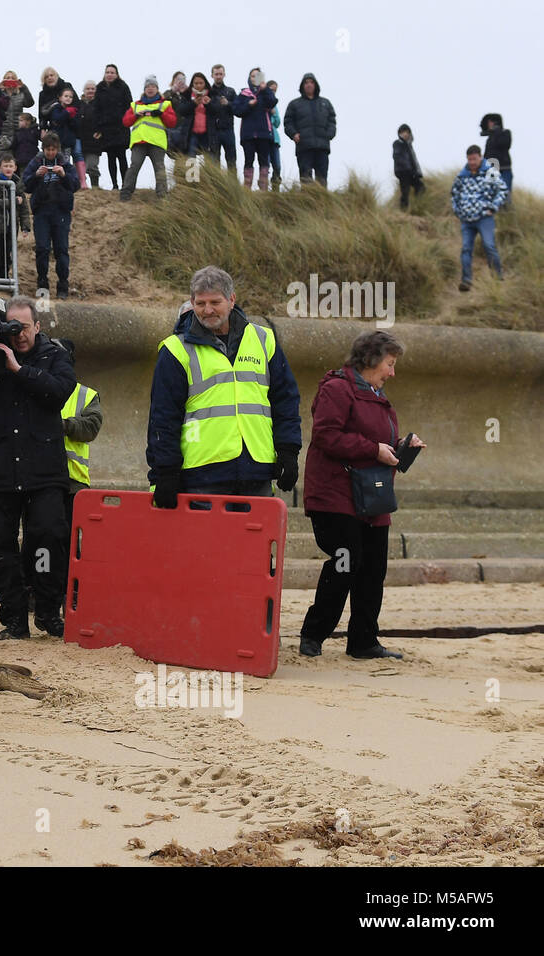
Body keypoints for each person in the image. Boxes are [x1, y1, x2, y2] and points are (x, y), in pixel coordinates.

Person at [299, 331, 426, 660]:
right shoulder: (337, 389)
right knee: (346, 563)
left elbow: (379, 445)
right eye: (390, 364)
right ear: (371, 360)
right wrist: (374, 450)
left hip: (373, 498)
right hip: (335, 496)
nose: (392, 372)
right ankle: (314, 634)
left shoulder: (377, 395)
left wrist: (402, 448)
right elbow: (326, 436)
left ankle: (364, 641)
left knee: (373, 569)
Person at [0, 296, 75, 639]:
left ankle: (48, 611)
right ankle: (14, 619)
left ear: (37, 326)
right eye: (12, 328)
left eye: (23, 328)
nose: (18, 335)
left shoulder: (55, 356)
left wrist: (18, 369)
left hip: (44, 469)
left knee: (47, 539)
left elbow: (59, 392)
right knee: (1, 547)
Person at [147, 266, 302, 506]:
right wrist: (165, 473)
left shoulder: (264, 340)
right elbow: (163, 418)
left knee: (252, 545)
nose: (207, 310)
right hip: (202, 474)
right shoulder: (175, 350)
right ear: (191, 302)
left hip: (256, 471)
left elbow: (286, 401)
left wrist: (288, 451)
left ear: (231, 300)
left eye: (215, 302)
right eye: (200, 303)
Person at [23, 337, 102, 610]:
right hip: (36, 479)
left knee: (67, 541)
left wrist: (61, 425)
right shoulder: (32, 387)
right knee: (36, 539)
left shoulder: (85, 395)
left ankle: (72, 590)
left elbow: (91, 427)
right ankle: (34, 589)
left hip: (72, 483)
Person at [23, 133, 77, 298]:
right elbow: (26, 185)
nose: (51, 153)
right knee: (42, 249)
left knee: (61, 249)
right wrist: (37, 175)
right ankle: (42, 285)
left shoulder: (65, 164)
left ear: (58, 149)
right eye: (48, 149)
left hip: (61, 212)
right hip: (42, 212)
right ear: (43, 149)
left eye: (53, 149)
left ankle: (62, 287)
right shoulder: (36, 162)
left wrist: (63, 175)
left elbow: (75, 185)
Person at [451, 144, 508, 291]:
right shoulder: (462, 175)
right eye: (469, 159)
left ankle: (497, 278)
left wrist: (493, 207)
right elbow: (454, 194)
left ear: (480, 157)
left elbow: (502, 190)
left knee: (489, 246)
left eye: (474, 159)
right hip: (466, 220)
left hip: (484, 218)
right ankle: (466, 281)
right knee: (465, 249)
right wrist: (458, 211)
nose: (471, 162)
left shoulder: (490, 172)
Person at [119, 75, 176, 201]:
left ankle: (162, 195)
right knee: (134, 166)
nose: (150, 89)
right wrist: (135, 115)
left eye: (153, 86)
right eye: (148, 86)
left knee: (159, 168)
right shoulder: (135, 105)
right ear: (144, 89)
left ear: (157, 88)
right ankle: (125, 193)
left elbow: (172, 122)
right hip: (139, 141)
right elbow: (125, 122)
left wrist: (161, 114)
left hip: (157, 142)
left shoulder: (165, 104)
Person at [282, 73, 336, 186]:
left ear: (316, 85)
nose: (309, 85)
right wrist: (294, 134)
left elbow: (332, 120)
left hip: (322, 147)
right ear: (302, 86)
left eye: (311, 82)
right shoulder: (294, 104)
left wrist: (329, 134)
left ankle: (322, 202)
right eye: (306, 82)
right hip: (304, 147)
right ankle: (307, 202)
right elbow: (288, 122)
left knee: (322, 179)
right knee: (306, 179)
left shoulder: (325, 103)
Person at [0, 152, 31, 278]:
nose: (8, 168)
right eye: (5, 166)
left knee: (7, 254)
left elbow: (24, 209)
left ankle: (4, 278)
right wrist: (14, 201)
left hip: (11, 228)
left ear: (15, 168)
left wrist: (25, 226)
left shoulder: (18, 185)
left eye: (11, 166)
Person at [232, 68, 277, 190]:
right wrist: (248, 105)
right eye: (253, 76)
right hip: (248, 135)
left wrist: (265, 89)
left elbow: (273, 102)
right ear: (249, 78)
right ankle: (247, 189)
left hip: (264, 134)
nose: (255, 78)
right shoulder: (243, 94)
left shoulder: (266, 92)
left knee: (264, 163)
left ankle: (264, 188)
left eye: (258, 76)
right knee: (249, 161)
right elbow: (236, 110)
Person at [92, 65, 132, 190]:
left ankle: (125, 184)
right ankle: (114, 184)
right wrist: (98, 127)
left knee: (122, 156)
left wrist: (125, 121)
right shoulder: (100, 88)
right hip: (106, 128)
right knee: (110, 157)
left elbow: (129, 106)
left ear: (117, 74)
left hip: (120, 128)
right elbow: (96, 109)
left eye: (112, 72)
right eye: (107, 72)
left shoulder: (123, 87)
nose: (109, 74)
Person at [206, 64, 238, 173]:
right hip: (213, 131)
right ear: (212, 75)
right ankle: (215, 187)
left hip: (228, 130)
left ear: (224, 74)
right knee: (214, 162)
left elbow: (238, 109)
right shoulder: (208, 92)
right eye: (216, 74)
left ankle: (233, 187)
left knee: (232, 160)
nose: (218, 76)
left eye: (220, 74)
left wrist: (228, 103)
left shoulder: (231, 91)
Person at [0, 71, 35, 158]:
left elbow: (30, 103)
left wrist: (23, 87)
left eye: (13, 78)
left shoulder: (20, 95)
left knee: (18, 158)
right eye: (8, 78)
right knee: (3, 159)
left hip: (17, 132)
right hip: (3, 132)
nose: (10, 80)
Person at [480, 113, 512, 199]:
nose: (489, 124)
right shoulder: (490, 138)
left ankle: (507, 212)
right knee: (490, 196)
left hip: (504, 170)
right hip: (492, 171)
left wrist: (496, 130)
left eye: (490, 122)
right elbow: (487, 156)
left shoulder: (505, 133)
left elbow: (505, 144)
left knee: (505, 197)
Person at [392, 124, 423, 211]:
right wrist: (407, 168)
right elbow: (398, 156)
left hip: (411, 172)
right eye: (402, 132)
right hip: (403, 172)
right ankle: (403, 212)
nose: (405, 134)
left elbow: (413, 160)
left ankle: (418, 205)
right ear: (399, 133)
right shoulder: (398, 143)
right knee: (405, 191)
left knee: (420, 187)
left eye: (407, 132)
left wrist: (417, 172)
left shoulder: (409, 145)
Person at [165, 72, 190, 155]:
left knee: (186, 156)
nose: (181, 82)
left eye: (183, 79)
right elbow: (162, 102)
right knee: (175, 155)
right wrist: (173, 91)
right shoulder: (168, 93)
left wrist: (188, 92)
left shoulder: (187, 95)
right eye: (178, 79)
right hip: (173, 129)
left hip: (186, 129)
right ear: (173, 81)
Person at [267, 80, 283, 188]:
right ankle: (264, 188)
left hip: (275, 139)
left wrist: (274, 114)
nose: (273, 93)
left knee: (277, 166)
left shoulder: (274, 105)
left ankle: (275, 186)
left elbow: (277, 123)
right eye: (271, 90)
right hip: (264, 139)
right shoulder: (262, 102)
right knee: (265, 165)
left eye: (275, 91)